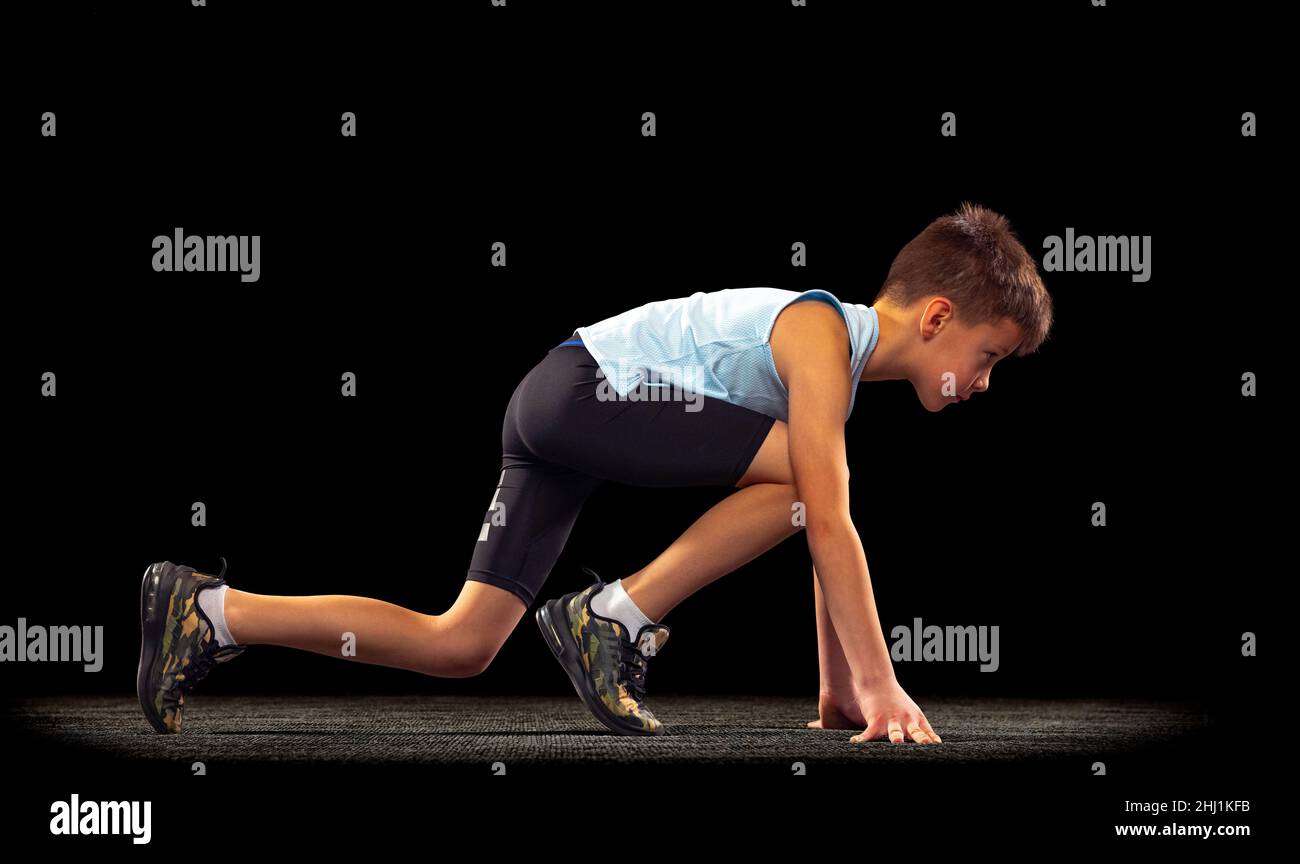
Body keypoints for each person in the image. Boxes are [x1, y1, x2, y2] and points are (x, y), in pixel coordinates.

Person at [138, 201, 1053, 746]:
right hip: (581, 393)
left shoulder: (835, 368)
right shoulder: (820, 331)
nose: (982, 383)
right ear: (937, 317)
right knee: (814, 493)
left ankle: (210, 611)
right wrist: (887, 684)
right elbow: (828, 521)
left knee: (461, 643)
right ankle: (611, 617)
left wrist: (841, 689)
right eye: (990, 357)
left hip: (556, 403)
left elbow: (819, 520)